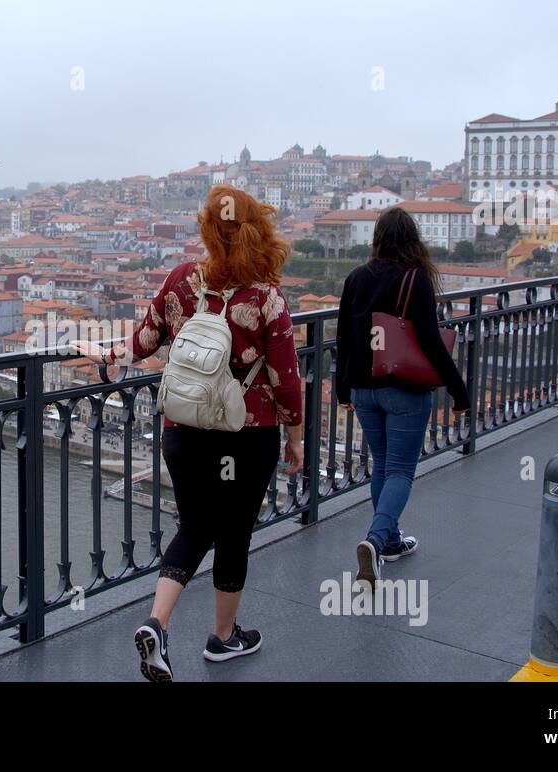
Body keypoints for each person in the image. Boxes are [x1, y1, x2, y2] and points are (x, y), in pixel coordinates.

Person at [74, 185, 304, 682]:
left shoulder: (181, 281)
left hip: (185, 429)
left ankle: (157, 623)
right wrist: (296, 438)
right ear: (257, 230)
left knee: (195, 527)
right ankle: (223, 638)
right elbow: (287, 379)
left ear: (205, 228)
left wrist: (103, 356)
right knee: (234, 532)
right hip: (245, 433)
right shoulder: (266, 297)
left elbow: (143, 341)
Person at [334, 207, 470, 588]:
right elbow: (430, 340)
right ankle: (376, 541)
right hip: (404, 389)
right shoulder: (415, 279)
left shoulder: (356, 277)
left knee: (382, 465)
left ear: (377, 237)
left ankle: (390, 540)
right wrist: (458, 390)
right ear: (412, 239)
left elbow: (344, 337)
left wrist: (344, 388)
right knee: (399, 470)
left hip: (363, 388)